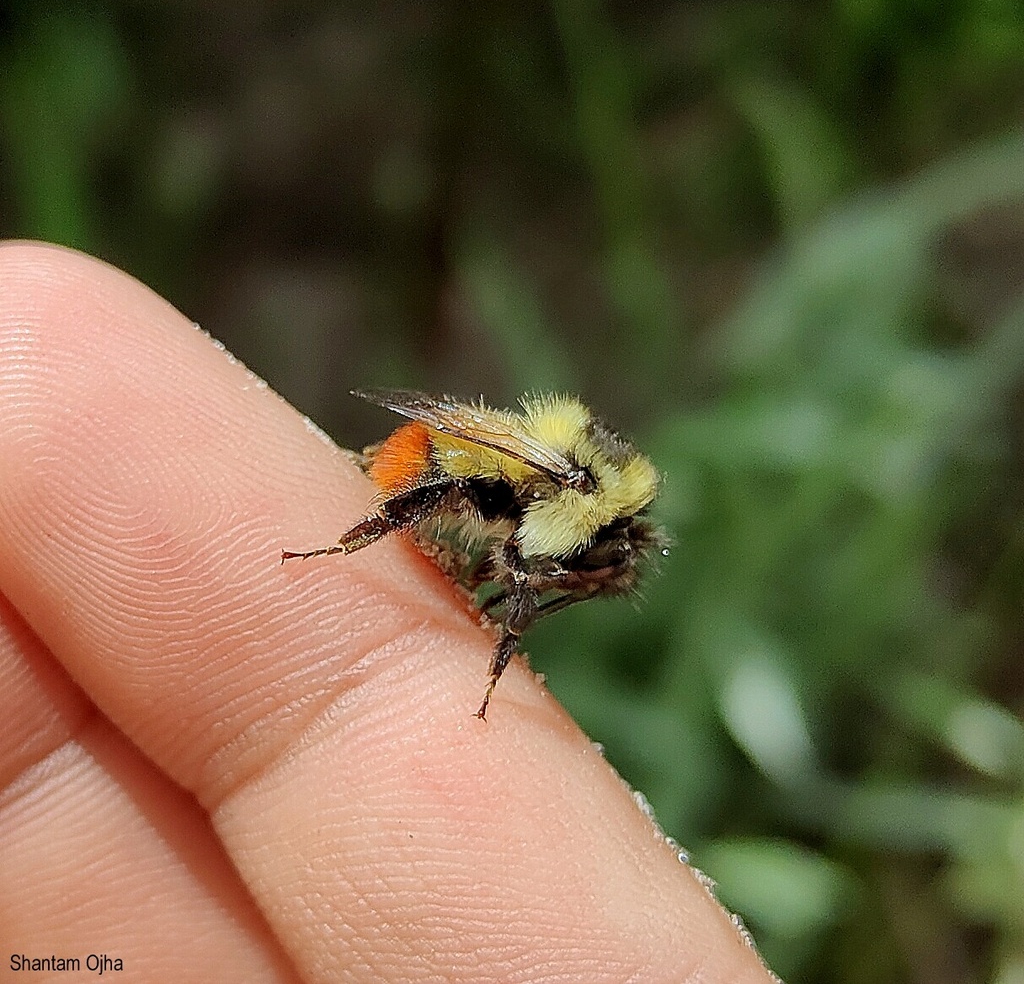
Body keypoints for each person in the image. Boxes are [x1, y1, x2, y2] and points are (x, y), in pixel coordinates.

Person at [0, 241, 777, 983]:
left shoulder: (580, 498)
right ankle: (341, 548)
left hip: (472, 469)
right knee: (490, 541)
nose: (589, 576)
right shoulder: (569, 491)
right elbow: (518, 556)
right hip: (429, 457)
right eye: (599, 564)